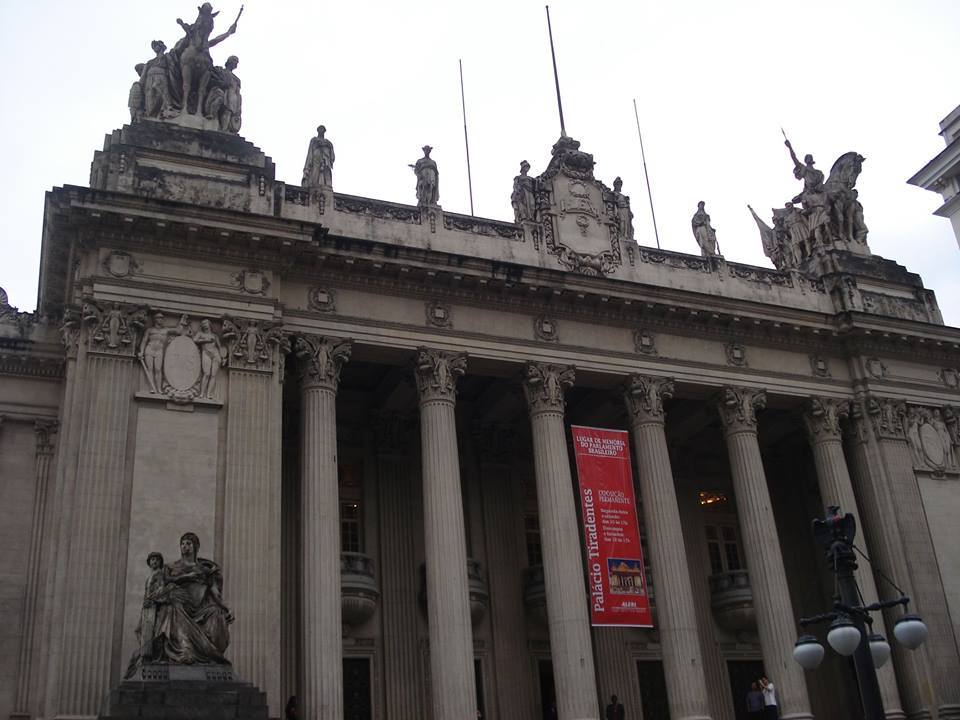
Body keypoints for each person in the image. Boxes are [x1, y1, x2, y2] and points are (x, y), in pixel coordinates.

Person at [152, 531, 233, 664]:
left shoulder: (204, 570)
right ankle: (185, 648)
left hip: (199, 609)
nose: (184, 546)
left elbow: (214, 593)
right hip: (178, 604)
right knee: (174, 605)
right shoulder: (170, 567)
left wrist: (226, 609)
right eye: (182, 544)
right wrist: (186, 577)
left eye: (188, 543)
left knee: (216, 612)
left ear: (195, 547)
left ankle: (209, 652)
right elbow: (164, 583)